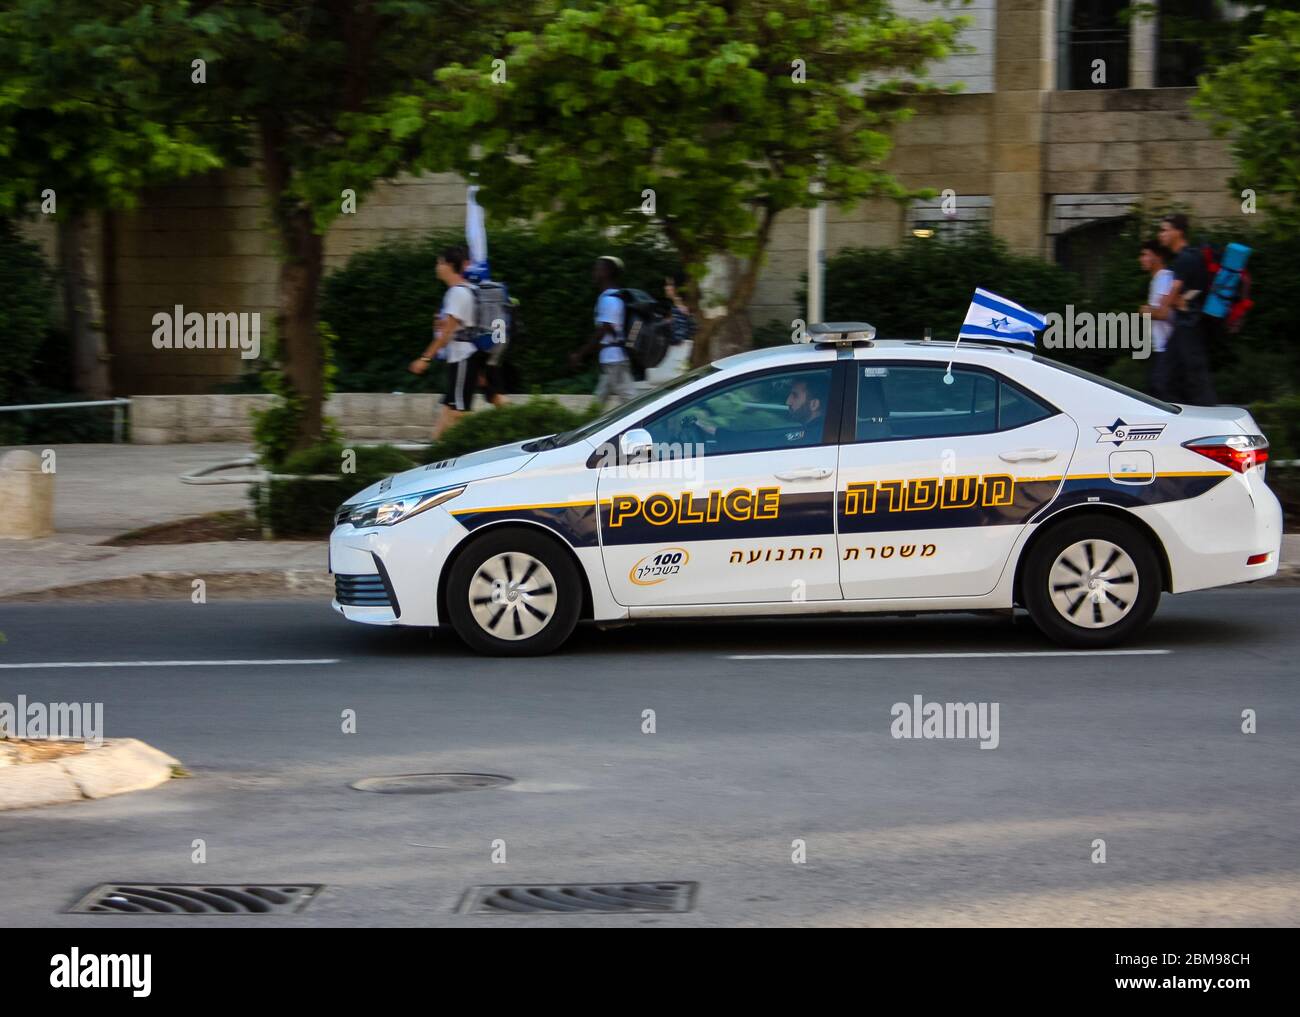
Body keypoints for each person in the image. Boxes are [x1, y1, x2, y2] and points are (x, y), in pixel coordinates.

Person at [409, 245, 480, 439]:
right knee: (450, 407)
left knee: (458, 410)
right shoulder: (464, 290)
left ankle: (473, 445)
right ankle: (436, 449)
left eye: (439, 262)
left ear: (449, 265)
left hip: (463, 357)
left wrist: (425, 358)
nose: (437, 266)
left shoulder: (457, 293)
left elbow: (447, 333)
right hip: (461, 357)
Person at [1153, 214, 1217, 405]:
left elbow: (1172, 294)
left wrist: (1160, 308)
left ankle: (1211, 421)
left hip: (1189, 326)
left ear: (1178, 232)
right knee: (1166, 379)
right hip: (1187, 325)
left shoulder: (1185, 259)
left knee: (1193, 381)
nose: (1160, 234)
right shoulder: (1190, 256)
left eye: (1164, 230)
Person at [570, 255, 635, 407]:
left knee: (630, 402)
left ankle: (649, 423)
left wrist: (580, 354)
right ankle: (587, 426)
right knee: (600, 400)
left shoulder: (610, 299)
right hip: (611, 359)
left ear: (606, 272)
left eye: (597, 269)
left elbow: (604, 330)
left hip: (615, 359)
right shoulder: (609, 297)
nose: (594, 272)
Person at [1138, 239, 1175, 400]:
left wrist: (1147, 311)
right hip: (1163, 348)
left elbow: (1165, 313)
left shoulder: (1164, 278)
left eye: (1145, 254)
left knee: (1161, 394)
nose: (1141, 259)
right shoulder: (1157, 280)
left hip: (1169, 348)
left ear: (1158, 257)